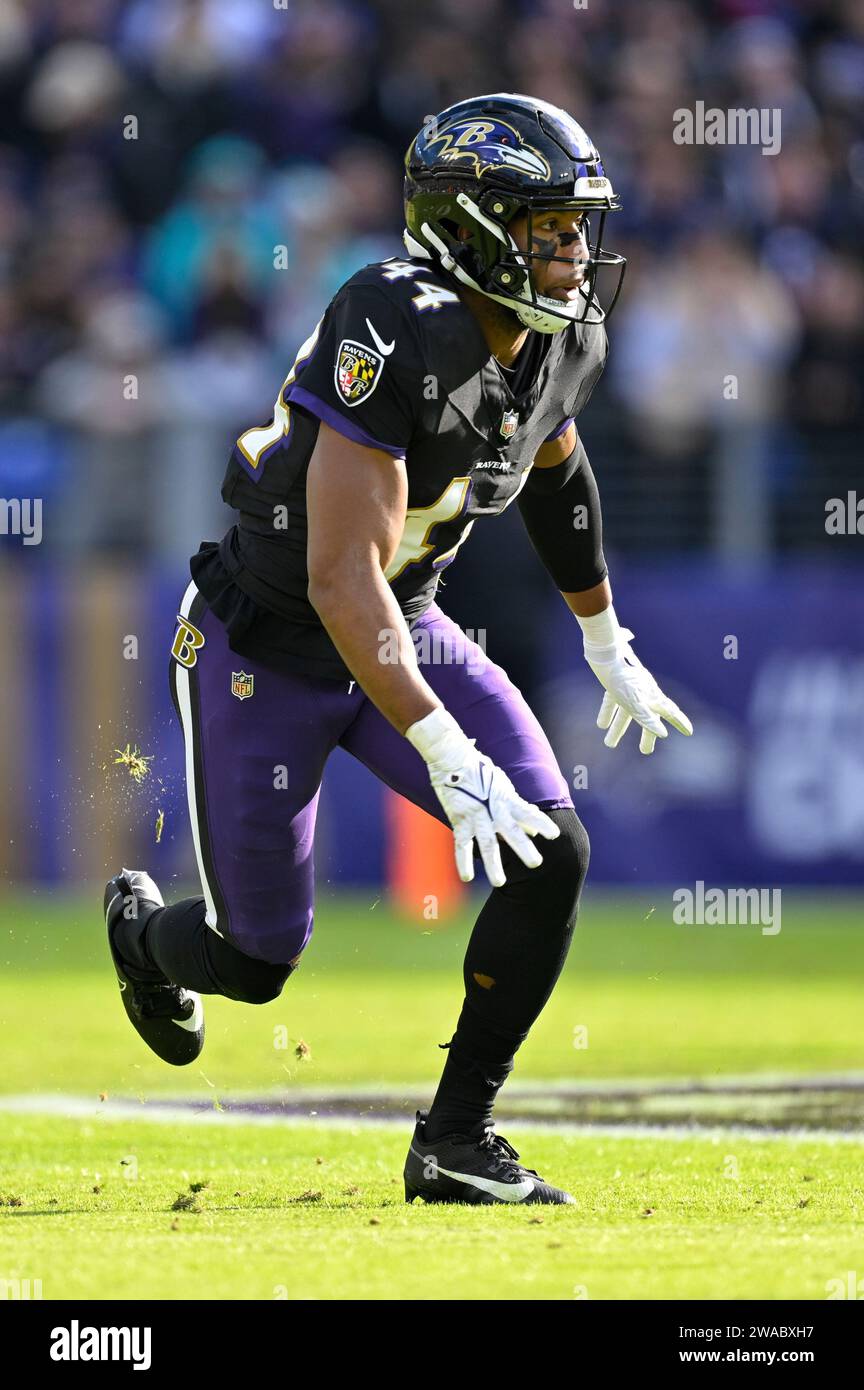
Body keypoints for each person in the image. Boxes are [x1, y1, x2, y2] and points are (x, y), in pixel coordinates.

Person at [104, 94, 692, 1206]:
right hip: (267, 641)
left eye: (577, 229)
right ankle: (142, 935)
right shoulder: (396, 318)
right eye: (546, 229)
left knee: (548, 850)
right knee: (255, 959)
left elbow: (555, 465)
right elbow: (337, 575)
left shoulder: (561, 337)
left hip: (403, 620)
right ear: (469, 227)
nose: (573, 256)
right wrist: (440, 746)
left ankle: (455, 1139)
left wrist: (603, 634)